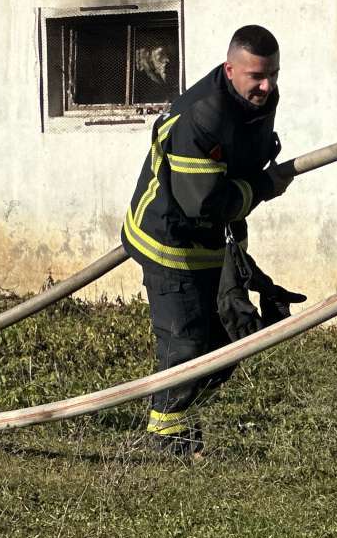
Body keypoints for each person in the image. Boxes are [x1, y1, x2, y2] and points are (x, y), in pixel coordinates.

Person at [121, 24, 295, 458]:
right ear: (230, 68)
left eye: (272, 73)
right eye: (256, 75)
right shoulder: (202, 114)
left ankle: (179, 419)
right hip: (169, 238)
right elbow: (204, 202)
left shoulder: (262, 100)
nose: (266, 85)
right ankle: (166, 440)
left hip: (212, 240)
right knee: (185, 342)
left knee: (229, 342)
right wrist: (263, 187)